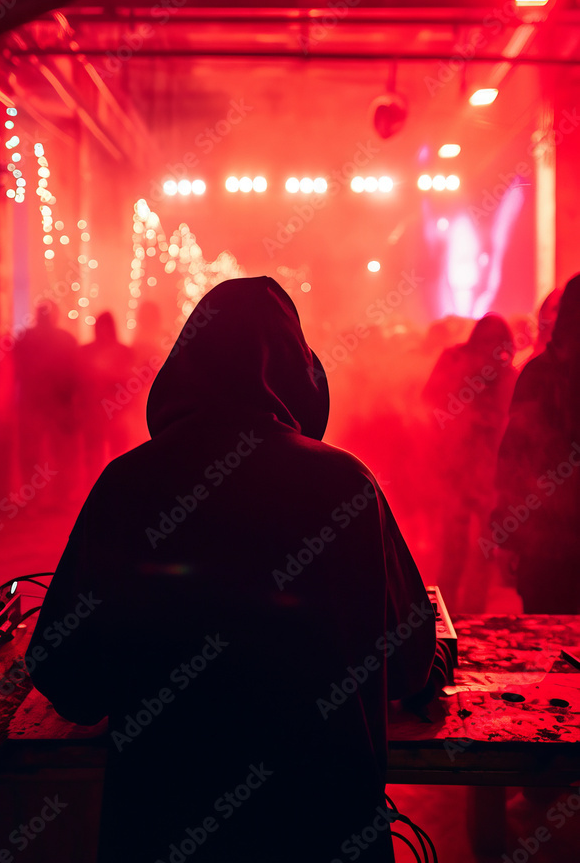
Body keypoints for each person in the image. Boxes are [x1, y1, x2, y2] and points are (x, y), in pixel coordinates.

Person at [27, 276, 436, 863]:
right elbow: (411, 664)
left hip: (162, 834)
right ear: (300, 375)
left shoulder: (125, 484)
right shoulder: (348, 485)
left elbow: (69, 680)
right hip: (322, 832)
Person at [493, 274, 580, 613]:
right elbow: (515, 458)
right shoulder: (540, 375)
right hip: (547, 546)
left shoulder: (538, 373)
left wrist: (506, 536)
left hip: (545, 547)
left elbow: (513, 460)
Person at [422, 314, 517, 612]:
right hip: (457, 467)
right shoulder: (455, 362)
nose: (492, 351)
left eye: (497, 344)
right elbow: (430, 402)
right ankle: (447, 613)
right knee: (454, 548)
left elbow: (515, 423)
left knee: (484, 550)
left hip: (488, 472)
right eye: (487, 343)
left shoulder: (507, 375)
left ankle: (472, 614)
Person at [13, 301, 80, 507]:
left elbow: (16, 370)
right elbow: (76, 373)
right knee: (57, 452)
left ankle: (37, 499)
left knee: (35, 453)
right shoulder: (65, 339)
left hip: (40, 403)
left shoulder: (25, 338)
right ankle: (58, 497)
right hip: (54, 403)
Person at [79, 311, 134, 486]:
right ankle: (92, 488)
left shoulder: (123, 352)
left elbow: (129, 382)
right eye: (101, 327)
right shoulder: (86, 351)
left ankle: (117, 487)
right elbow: (80, 381)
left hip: (116, 411)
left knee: (118, 454)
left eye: (107, 327)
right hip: (93, 411)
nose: (104, 331)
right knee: (92, 456)